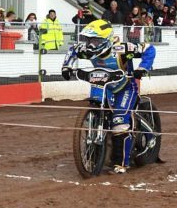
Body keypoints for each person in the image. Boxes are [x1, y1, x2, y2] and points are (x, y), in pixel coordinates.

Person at [61, 20, 156, 174]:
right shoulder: (86, 49)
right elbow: (72, 49)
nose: (90, 44)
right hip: (101, 84)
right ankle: (96, 152)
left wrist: (143, 68)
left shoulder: (121, 48)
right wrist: (67, 66)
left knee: (119, 120)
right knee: (97, 107)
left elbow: (149, 49)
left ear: (106, 40)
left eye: (95, 40)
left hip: (125, 86)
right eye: (88, 40)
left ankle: (122, 163)